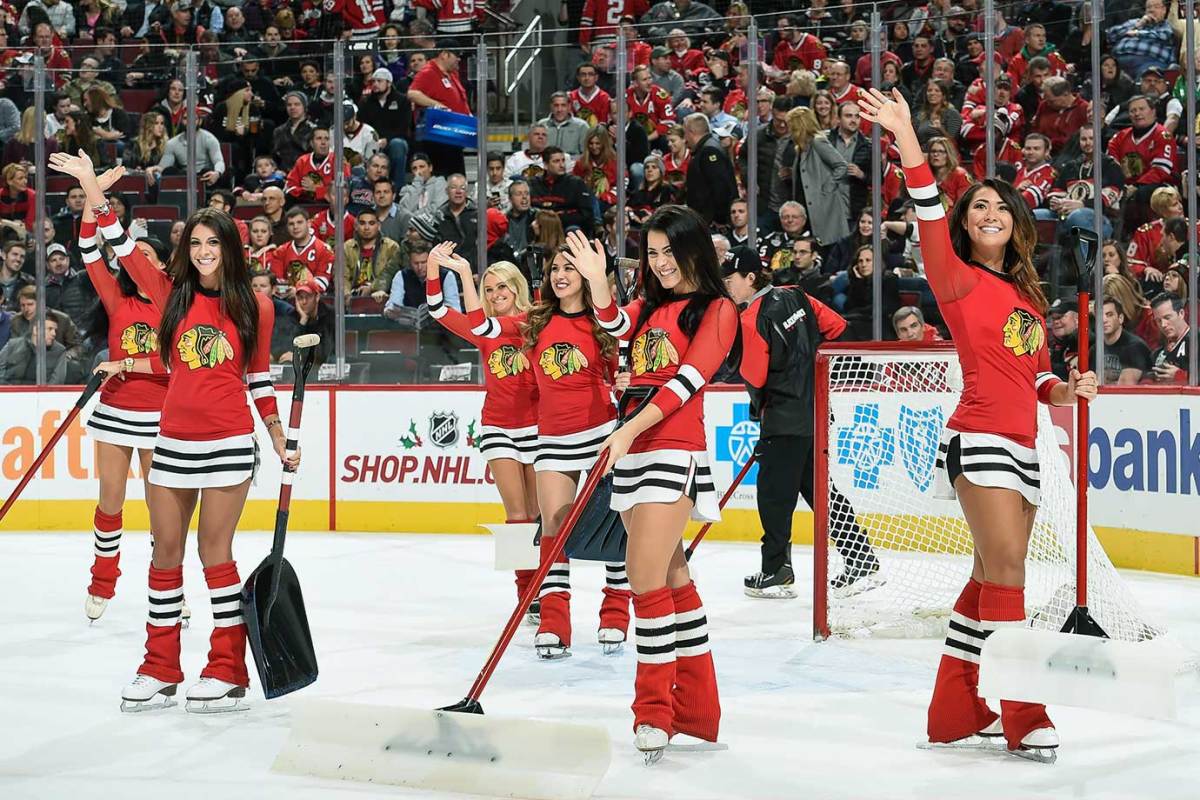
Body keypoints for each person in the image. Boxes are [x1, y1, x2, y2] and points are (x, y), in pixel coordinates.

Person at [860, 86, 1097, 761]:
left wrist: (1068, 389)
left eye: (1000, 205)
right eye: (978, 207)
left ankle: (958, 708)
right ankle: (1023, 710)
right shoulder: (956, 277)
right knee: (1010, 568)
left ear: (1018, 223)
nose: (988, 211)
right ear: (967, 226)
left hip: (1024, 442)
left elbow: (1038, 379)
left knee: (987, 577)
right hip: (980, 439)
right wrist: (907, 135)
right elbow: (929, 207)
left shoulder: (1024, 295)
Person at [50, 152, 296, 714]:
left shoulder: (254, 304)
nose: (204, 253)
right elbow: (121, 246)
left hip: (230, 441)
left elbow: (257, 375)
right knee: (165, 552)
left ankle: (227, 670)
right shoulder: (170, 294)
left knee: (216, 552)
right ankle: (159, 667)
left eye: (213, 244)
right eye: (196, 245)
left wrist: (277, 434)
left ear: (229, 249)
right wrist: (91, 186)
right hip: (174, 442)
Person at [575, 208, 735, 759]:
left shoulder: (717, 310)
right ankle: (695, 708)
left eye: (671, 252)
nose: (662, 263)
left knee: (643, 581)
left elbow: (684, 385)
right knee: (671, 574)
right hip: (635, 450)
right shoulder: (650, 307)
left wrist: (627, 430)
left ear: (695, 252)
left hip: (671, 450)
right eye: (654, 253)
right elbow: (615, 323)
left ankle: (655, 713)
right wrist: (599, 282)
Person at [460, 235, 630, 661]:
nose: (559, 276)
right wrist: (461, 274)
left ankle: (615, 612)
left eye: (568, 268)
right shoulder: (533, 320)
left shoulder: (603, 321)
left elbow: (622, 368)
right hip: (547, 438)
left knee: (617, 527)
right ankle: (551, 618)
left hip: (600, 435)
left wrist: (625, 382)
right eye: (555, 269)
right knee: (547, 529)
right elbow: (480, 327)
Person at [720, 245, 881, 597]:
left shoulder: (750, 320)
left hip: (782, 419)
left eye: (730, 279)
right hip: (815, 412)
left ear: (750, 277)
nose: (726, 286)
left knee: (774, 497)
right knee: (821, 491)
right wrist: (808, 369)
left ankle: (776, 570)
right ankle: (861, 559)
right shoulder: (798, 296)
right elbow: (837, 327)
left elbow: (757, 377)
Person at [78, 176, 171, 621]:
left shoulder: (172, 304)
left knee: (161, 512)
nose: (136, 265)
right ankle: (102, 581)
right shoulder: (117, 299)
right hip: (115, 412)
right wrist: (89, 188)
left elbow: (175, 365)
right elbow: (89, 249)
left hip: (161, 416)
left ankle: (168, 587)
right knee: (109, 501)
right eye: (134, 257)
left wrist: (125, 365)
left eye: (147, 258)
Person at [427, 247, 541, 609]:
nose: (495, 295)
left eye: (501, 287)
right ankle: (526, 593)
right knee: (517, 514)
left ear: (516, 286)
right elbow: (438, 309)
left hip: (539, 428)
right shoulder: (484, 330)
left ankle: (546, 589)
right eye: (488, 289)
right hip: (499, 428)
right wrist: (439, 266)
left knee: (540, 515)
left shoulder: (537, 322)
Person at [682, 114, 737, 226]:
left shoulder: (709, 151)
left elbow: (721, 187)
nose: (684, 139)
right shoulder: (707, 148)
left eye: (685, 134)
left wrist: (718, 219)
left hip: (712, 221)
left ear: (691, 132)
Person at [1098, 296, 1152, 384]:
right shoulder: (1095, 350)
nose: (1104, 320)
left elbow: (1126, 388)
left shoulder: (1135, 347)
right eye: (1100, 315)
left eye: (1109, 315)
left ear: (1120, 318)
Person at [1146, 292, 1190, 384]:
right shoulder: (1157, 353)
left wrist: (1182, 376)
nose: (1163, 325)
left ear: (1181, 313)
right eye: (1158, 321)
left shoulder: (1196, 340)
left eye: (1167, 317)